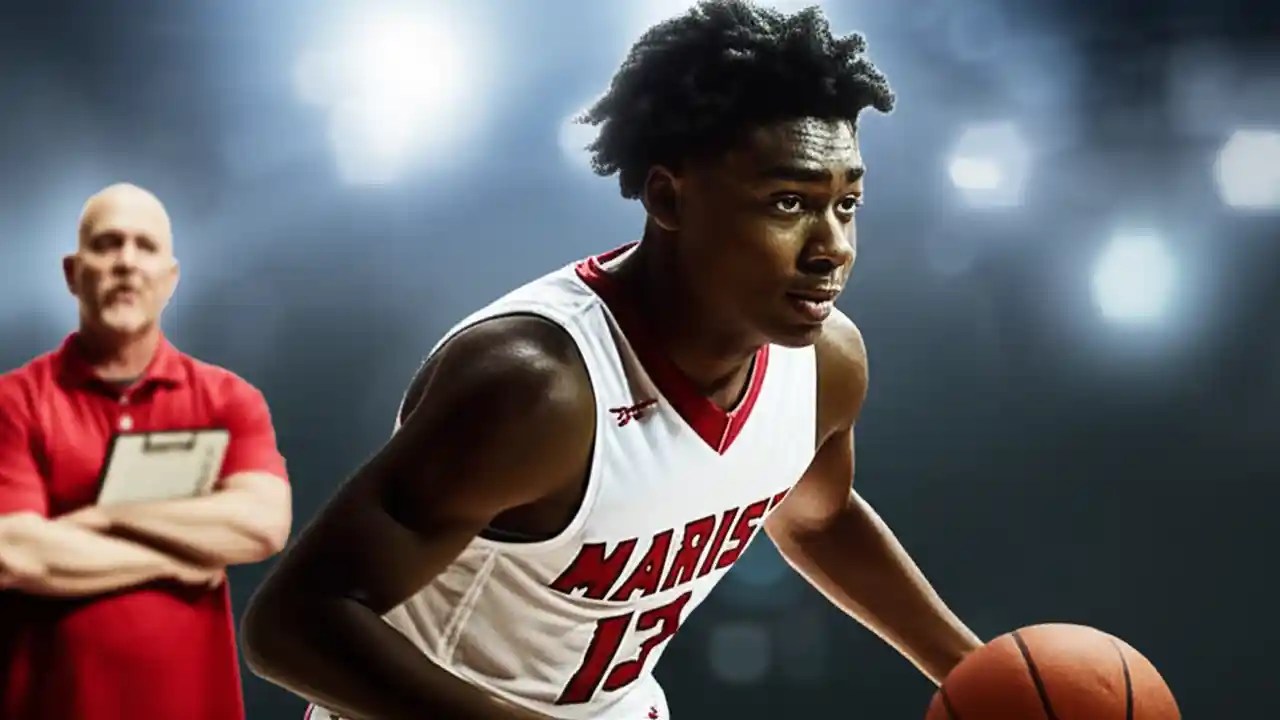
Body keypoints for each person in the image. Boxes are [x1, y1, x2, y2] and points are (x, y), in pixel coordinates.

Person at [242, 2, 983, 718]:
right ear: (668, 197)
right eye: (788, 203)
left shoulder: (826, 363)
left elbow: (817, 520)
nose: (833, 250)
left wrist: (979, 675)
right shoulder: (537, 386)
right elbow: (295, 623)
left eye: (846, 204)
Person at [0, 183, 293, 720]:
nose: (127, 263)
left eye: (145, 246)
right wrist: (177, 558)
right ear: (72, 271)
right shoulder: (13, 401)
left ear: (170, 278)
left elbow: (262, 524)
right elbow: (13, 551)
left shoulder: (229, 399)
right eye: (108, 244)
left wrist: (107, 516)